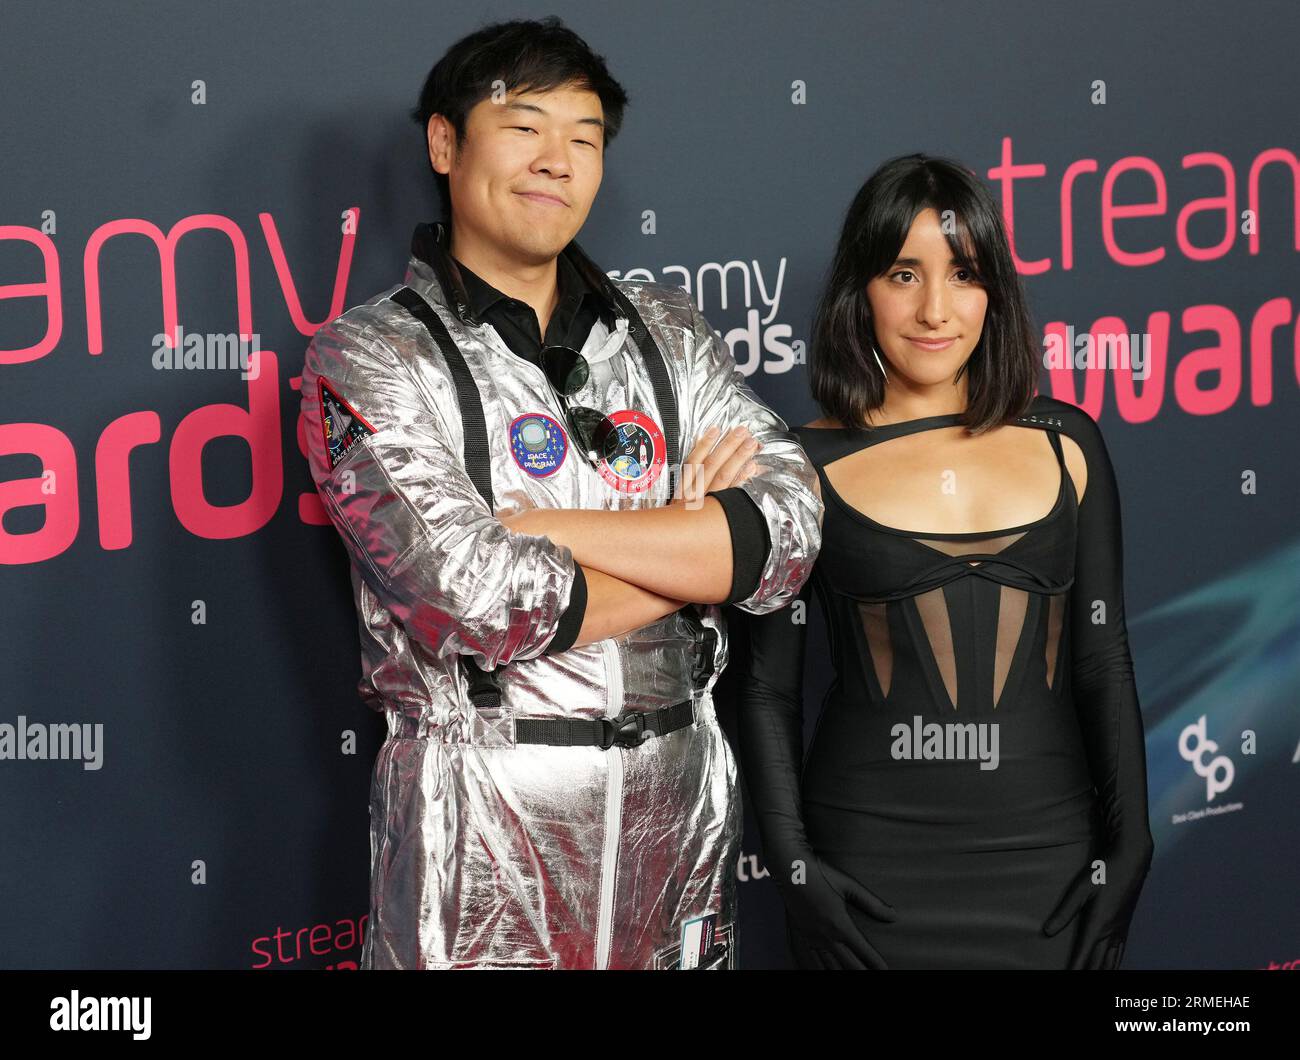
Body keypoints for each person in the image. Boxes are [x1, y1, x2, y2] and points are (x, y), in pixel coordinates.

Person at [299, 17, 822, 970]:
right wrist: (701, 551)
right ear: (445, 143)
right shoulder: (369, 358)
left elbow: (784, 536)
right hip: (485, 822)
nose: (557, 161)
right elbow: (483, 599)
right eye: (526, 126)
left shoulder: (667, 331)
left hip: (683, 812)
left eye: (584, 138)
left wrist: (547, 527)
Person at [736, 154, 1154, 969]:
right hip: (871, 873)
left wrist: (1131, 842)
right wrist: (793, 868)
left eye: (963, 274)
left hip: (1053, 865)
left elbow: (1103, 659)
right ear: (860, 289)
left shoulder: (1068, 443)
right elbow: (763, 689)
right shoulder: (795, 467)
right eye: (903, 273)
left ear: (993, 290)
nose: (935, 309)